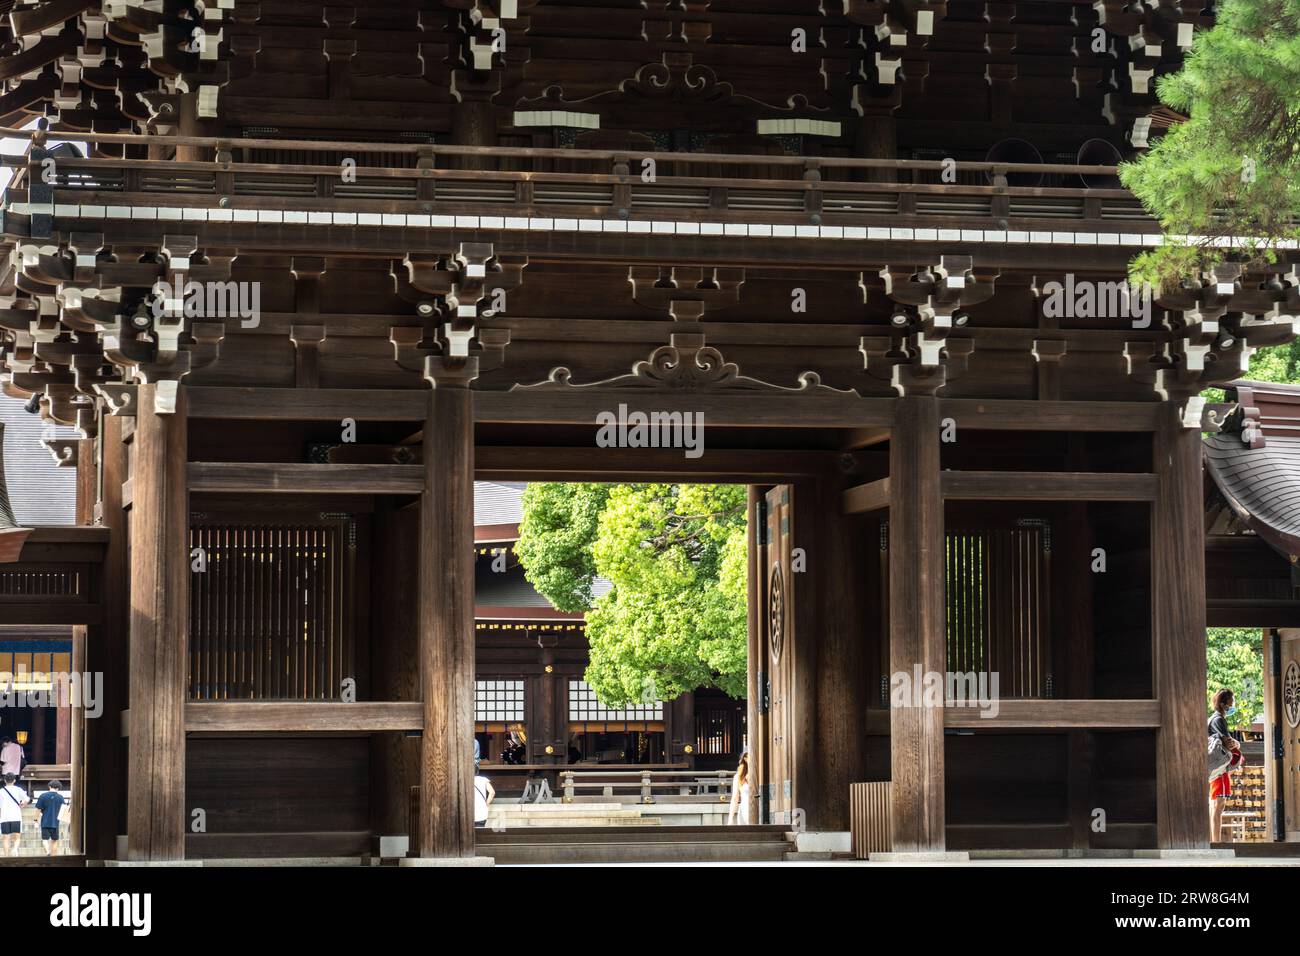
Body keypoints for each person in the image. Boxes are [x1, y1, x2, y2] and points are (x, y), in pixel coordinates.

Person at [1208, 688, 1242, 843]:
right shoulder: (1218, 719)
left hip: (1219, 767)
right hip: (1220, 768)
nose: (1233, 704)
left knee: (1216, 806)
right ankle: (1215, 842)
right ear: (1223, 704)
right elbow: (1228, 743)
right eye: (1231, 701)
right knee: (1218, 806)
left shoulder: (1214, 719)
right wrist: (1237, 744)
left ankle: (1214, 840)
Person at [35, 780, 65, 856]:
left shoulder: (43, 796)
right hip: (55, 822)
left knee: (45, 839)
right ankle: (53, 856)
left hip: (45, 822)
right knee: (54, 840)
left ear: (49, 786)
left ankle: (48, 852)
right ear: (58, 788)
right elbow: (63, 811)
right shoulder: (61, 798)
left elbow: (38, 809)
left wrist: (35, 820)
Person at [0, 773, 28, 856]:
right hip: (16, 816)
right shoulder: (18, 789)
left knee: (5, 838)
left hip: (4, 817)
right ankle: (15, 849)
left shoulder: (1, 791)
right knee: (17, 836)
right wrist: (23, 804)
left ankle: (6, 856)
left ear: (5, 780)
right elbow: (27, 799)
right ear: (14, 780)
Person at [727, 751, 751, 826]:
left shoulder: (761, 774)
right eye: (748, 756)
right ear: (745, 758)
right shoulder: (738, 777)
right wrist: (730, 818)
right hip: (745, 810)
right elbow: (735, 797)